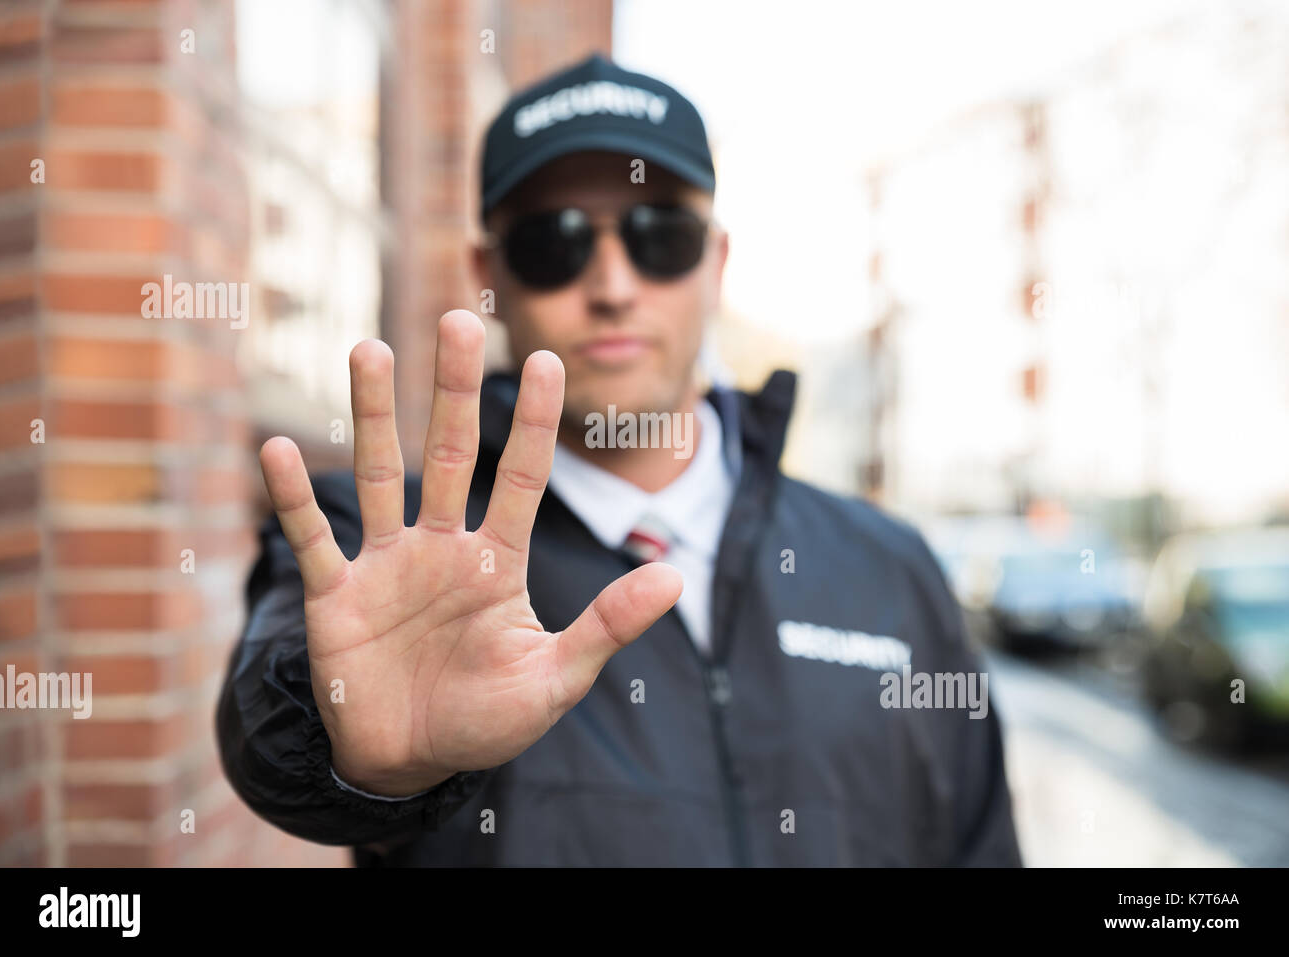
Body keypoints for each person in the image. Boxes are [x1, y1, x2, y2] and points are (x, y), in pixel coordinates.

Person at [216, 53, 1023, 866]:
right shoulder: (377, 550)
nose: (611, 284)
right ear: (487, 274)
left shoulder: (892, 569)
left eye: (659, 236)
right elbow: (271, 731)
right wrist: (363, 757)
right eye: (553, 241)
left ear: (716, 263)